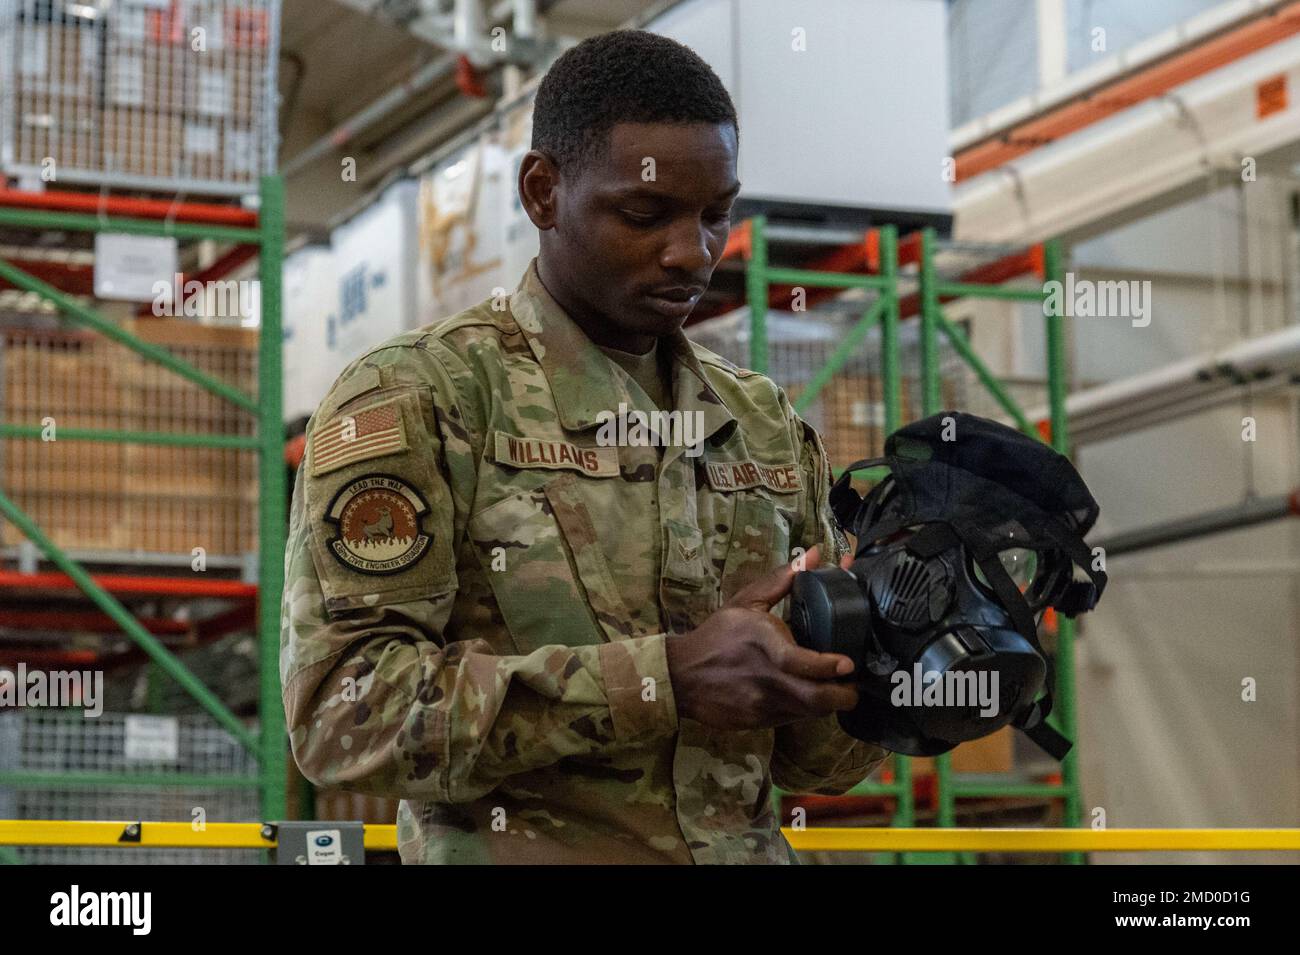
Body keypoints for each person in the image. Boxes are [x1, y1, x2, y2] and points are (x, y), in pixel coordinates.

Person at [281, 28, 888, 865]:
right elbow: (345, 719)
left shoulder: (765, 424)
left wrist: (900, 670)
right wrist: (665, 677)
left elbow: (815, 764)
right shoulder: (423, 398)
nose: (692, 253)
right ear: (543, 192)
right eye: (644, 215)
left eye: (716, 215)